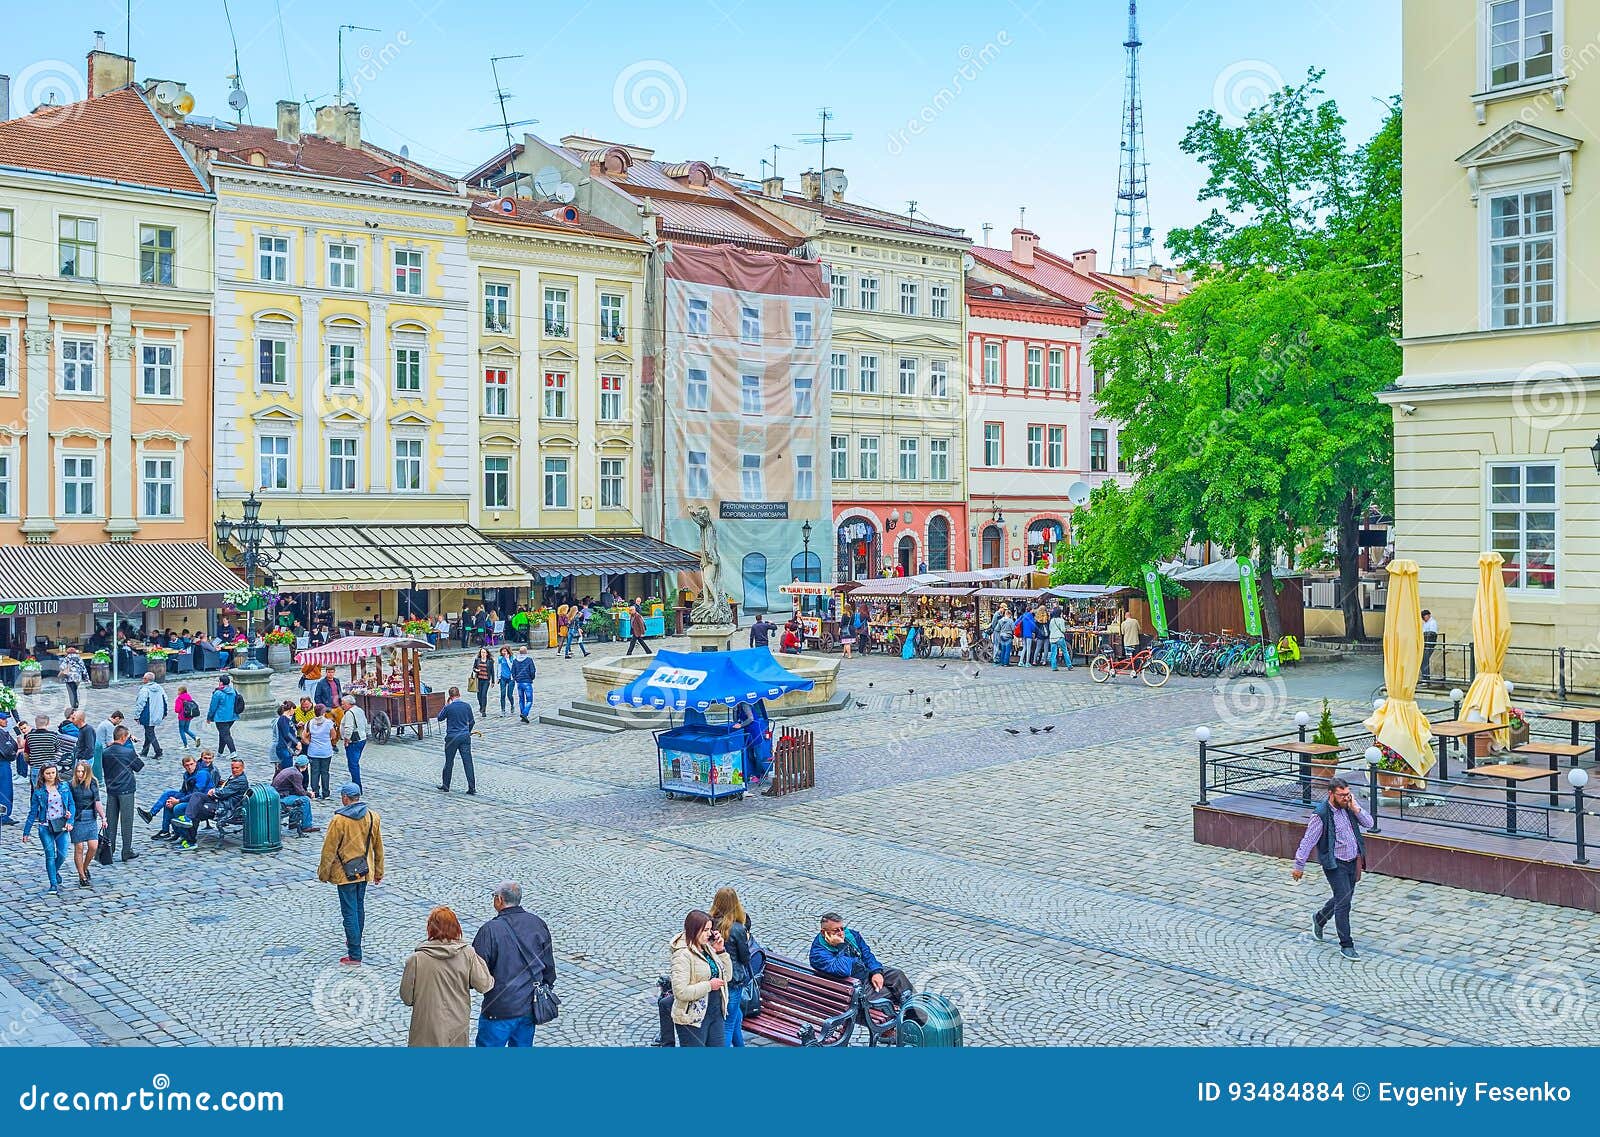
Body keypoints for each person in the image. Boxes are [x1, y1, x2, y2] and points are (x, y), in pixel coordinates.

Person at [1292, 776, 1372, 961]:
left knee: (1342, 897)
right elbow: (1308, 840)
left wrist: (1356, 808)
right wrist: (1299, 865)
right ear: (1331, 794)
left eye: (1348, 794)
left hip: (1353, 860)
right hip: (1335, 864)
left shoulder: (1350, 806)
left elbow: (1369, 824)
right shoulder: (1321, 814)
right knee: (1344, 903)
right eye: (1342, 795)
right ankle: (1346, 945)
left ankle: (1320, 918)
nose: (1346, 798)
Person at [470, 881, 556, 1047]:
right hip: (528, 1007)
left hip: (499, 1009)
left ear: (500, 900)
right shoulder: (537, 923)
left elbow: (477, 972)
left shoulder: (489, 930)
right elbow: (548, 967)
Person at [402, 906, 494, 1047]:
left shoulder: (416, 959)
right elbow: (484, 984)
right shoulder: (467, 953)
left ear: (430, 928)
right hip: (456, 1024)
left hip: (426, 1026)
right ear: (456, 927)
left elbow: (407, 998)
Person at [317, 783, 383, 964]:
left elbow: (328, 850)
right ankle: (355, 939)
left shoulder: (339, 820)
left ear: (345, 797)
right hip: (364, 869)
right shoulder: (372, 816)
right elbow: (378, 847)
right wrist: (379, 871)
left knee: (349, 911)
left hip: (344, 872)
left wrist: (323, 873)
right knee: (359, 907)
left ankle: (355, 953)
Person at [810, 912, 913, 1007]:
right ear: (824, 933)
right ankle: (913, 1017)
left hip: (864, 972)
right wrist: (841, 945)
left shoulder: (851, 935)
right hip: (853, 987)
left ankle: (920, 1012)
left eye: (842, 928)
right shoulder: (818, 954)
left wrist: (876, 972)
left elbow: (866, 955)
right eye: (836, 930)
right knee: (892, 994)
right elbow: (843, 970)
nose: (841, 933)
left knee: (898, 976)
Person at [669, 909, 731, 1047]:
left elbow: (727, 977)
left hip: (715, 1013)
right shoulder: (682, 955)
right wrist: (709, 985)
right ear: (694, 930)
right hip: (692, 1018)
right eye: (706, 930)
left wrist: (721, 951)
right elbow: (681, 992)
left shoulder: (707, 949)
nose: (709, 934)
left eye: (710, 929)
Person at [170, 757, 249, 850]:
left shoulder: (241, 780)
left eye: (237, 768)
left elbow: (223, 793)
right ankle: (187, 820)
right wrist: (215, 791)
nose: (234, 770)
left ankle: (190, 841)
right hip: (220, 802)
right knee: (197, 795)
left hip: (226, 808)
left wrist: (214, 791)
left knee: (197, 810)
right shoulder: (234, 777)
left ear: (242, 768)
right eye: (233, 768)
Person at [21, 764, 73, 893]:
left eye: (53, 773)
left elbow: (71, 804)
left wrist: (70, 819)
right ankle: (53, 884)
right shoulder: (39, 792)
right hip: (45, 826)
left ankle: (54, 871)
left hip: (61, 825)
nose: (51, 776)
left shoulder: (64, 787)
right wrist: (26, 831)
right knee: (50, 855)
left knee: (62, 854)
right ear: (43, 775)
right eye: (48, 773)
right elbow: (33, 812)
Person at [711, 887, 753, 1047]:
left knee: (735, 1016)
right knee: (728, 1023)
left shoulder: (709, 924)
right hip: (733, 980)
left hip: (715, 976)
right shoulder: (737, 928)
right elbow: (745, 958)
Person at [139, 752, 212, 840]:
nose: (189, 767)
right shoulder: (187, 774)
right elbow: (183, 791)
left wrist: (177, 801)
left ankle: (182, 835)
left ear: (195, 763)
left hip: (200, 800)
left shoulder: (202, 774)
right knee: (168, 795)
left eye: (191, 764)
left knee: (177, 807)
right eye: (187, 765)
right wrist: (172, 800)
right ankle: (154, 818)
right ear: (184, 766)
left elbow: (196, 794)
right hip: (190, 796)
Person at [99, 724, 143, 863]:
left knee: (110, 821)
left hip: (111, 789)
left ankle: (109, 850)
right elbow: (139, 766)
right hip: (126, 789)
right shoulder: (128, 752)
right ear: (124, 737)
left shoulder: (105, 752)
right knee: (127, 821)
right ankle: (126, 850)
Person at [67, 761, 103, 888]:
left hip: (91, 817)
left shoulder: (93, 783)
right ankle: (82, 876)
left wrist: (103, 817)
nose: (80, 774)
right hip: (77, 818)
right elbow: (68, 802)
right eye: (78, 771)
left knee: (93, 846)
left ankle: (84, 867)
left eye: (82, 771)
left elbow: (97, 801)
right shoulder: (71, 785)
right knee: (79, 847)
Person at [437, 687, 476, 795]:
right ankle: (472, 787)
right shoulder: (466, 706)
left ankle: (446, 785)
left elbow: (439, 718)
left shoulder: (449, 707)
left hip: (452, 737)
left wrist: (445, 706)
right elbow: (472, 721)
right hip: (464, 736)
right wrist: (468, 731)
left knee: (449, 761)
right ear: (459, 694)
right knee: (468, 762)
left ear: (450, 696)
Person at [272, 755, 319, 836]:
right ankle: (306, 826)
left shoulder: (290, 769)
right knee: (305, 800)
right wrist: (309, 794)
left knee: (296, 798)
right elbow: (300, 791)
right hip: (280, 798)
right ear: (305, 766)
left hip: (276, 795)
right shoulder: (297, 774)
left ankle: (293, 823)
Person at [132, 672, 168, 759]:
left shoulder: (145, 690)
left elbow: (140, 704)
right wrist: (164, 712)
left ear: (146, 680)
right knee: (148, 732)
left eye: (144, 678)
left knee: (150, 733)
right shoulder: (160, 688)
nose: (142, 679)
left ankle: (158, 750)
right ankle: (145, 751)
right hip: (157, 714)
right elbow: (165, 701)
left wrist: (137, 716)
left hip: (147, 715)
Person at [305, 704, 336, 800]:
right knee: (325, 772)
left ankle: (315, 792)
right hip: (325, 751)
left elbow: (304, 736)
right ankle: (325, 792)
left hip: (313, 751)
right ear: (323, 713)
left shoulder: (309, 722)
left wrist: (309, 743)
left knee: (314, 772)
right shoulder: (328, 723)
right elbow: (334, 736)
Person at [23, 714, 63, 787]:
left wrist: (30, 762)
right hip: (50, 769)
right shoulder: (53, 736)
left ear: (35, 723)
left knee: (38, 792)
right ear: (47, 723)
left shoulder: (29, 736)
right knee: (51, 790)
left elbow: (26, 754)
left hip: (36, 768)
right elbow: (59, 751)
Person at [338, 695, 369, 788]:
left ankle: (357, 785)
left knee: (353, 764)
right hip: (362, 739)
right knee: (355, 763)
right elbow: (365, 722)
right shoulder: (359, 710)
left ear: (349, 704)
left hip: (354, 741)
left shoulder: (349, 713)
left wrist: (346, 739)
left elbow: (349, 728)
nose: (342, 706)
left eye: (343, 704)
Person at [206, 675, 240, 758]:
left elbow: (213, 707)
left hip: (221, 718)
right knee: (223, 734)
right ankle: (220, 752)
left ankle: (233, 751)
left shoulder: (218, 693)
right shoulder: (233, 691)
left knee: (225, 735)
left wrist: (209, 717)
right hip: (232, 717)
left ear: (221, 682)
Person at [511, 646, 536, 724]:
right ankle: (524, 713)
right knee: (529, 700)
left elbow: (513, 671)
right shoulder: (529, 660)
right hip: (527, 682)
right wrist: (531, 678)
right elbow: (532, 671)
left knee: (521, 699)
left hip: (519, 683)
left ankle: (522, 715)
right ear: (526, 652)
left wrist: (516, 679)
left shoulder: (515, 661)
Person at [273, 701, 300, 770]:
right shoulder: (283, 718)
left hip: (286, 748)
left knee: (287, 768)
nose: (294, 711)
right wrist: (297, 742)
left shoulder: (286, 719)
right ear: (291, 708)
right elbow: (286, 733)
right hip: (284, 747)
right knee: (287, 770)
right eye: (294, 709)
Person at [59, 647, 87, 711]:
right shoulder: (79, 658)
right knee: (75, 689)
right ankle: (76, 702)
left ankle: (73, 704)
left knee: (71, 691)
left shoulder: (67, 658)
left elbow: (62, 667)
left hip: (69, 677)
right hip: (77, 678)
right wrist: (86, 678)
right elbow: (83, 668)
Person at [173, 685, 200, 752]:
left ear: (181, 691)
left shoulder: (179, 699)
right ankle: (195, 737)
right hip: (189, 716)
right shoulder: (189, 697)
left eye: (178, 690)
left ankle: (186, 745)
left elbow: (177, 710)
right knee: (186, 729)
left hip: (182, 716)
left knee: (181, 730)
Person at [470, 647, 493, 716]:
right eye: (481, 652)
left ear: (486, 653)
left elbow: (492, 671)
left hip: (486, 680)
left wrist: (493, 681)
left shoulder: (490, 661)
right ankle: (481, 706)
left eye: (484, 652)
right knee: (479, 695)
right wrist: (476, 670)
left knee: (484, 695)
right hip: (479, 680)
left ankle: (484, 710)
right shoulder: (477, 660)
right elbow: (474, 668)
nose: (482, 654)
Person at [1421, 609, 1439, 680]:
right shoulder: (1425, 623)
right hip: (1425, 644)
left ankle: (1426, 679)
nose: (1423, 618)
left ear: (1428, 615)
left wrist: (1424, 635)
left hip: (1429, 645)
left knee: (1424, 661)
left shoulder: (1432, 622)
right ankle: (1425, 678)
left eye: (1424, 616)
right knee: (1423, 661)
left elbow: (1432, 633)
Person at [496, 646, 515, 716]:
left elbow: (512, 668)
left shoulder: (513, 658)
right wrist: (498, 677)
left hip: (511, 678)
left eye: (505, 651)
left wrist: (507, 659)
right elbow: (499, 668)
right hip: (503, 678)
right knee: (502, 694)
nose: (503, 652)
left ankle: (512, 704)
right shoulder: (500, 658)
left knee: (509, 695)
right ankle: (503, 710)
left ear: (508, 651)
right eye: (502, 651)